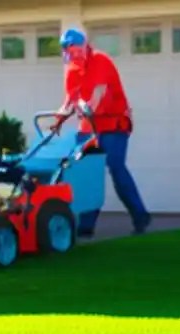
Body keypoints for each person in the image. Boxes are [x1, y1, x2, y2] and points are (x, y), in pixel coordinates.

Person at [55, 27, 151, 235]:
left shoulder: (101, 61)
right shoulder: (71, 69)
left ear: (83, 46)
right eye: (68, 52)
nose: (72, 55)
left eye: (75, 50)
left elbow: (97, 96)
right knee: (87, 174)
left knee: (116, 167)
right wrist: (58, 119)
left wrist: (85, 109)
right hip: (88, 127)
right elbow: (70, 100)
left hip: (114, 124)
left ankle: (140, 216)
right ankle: (86, 227)